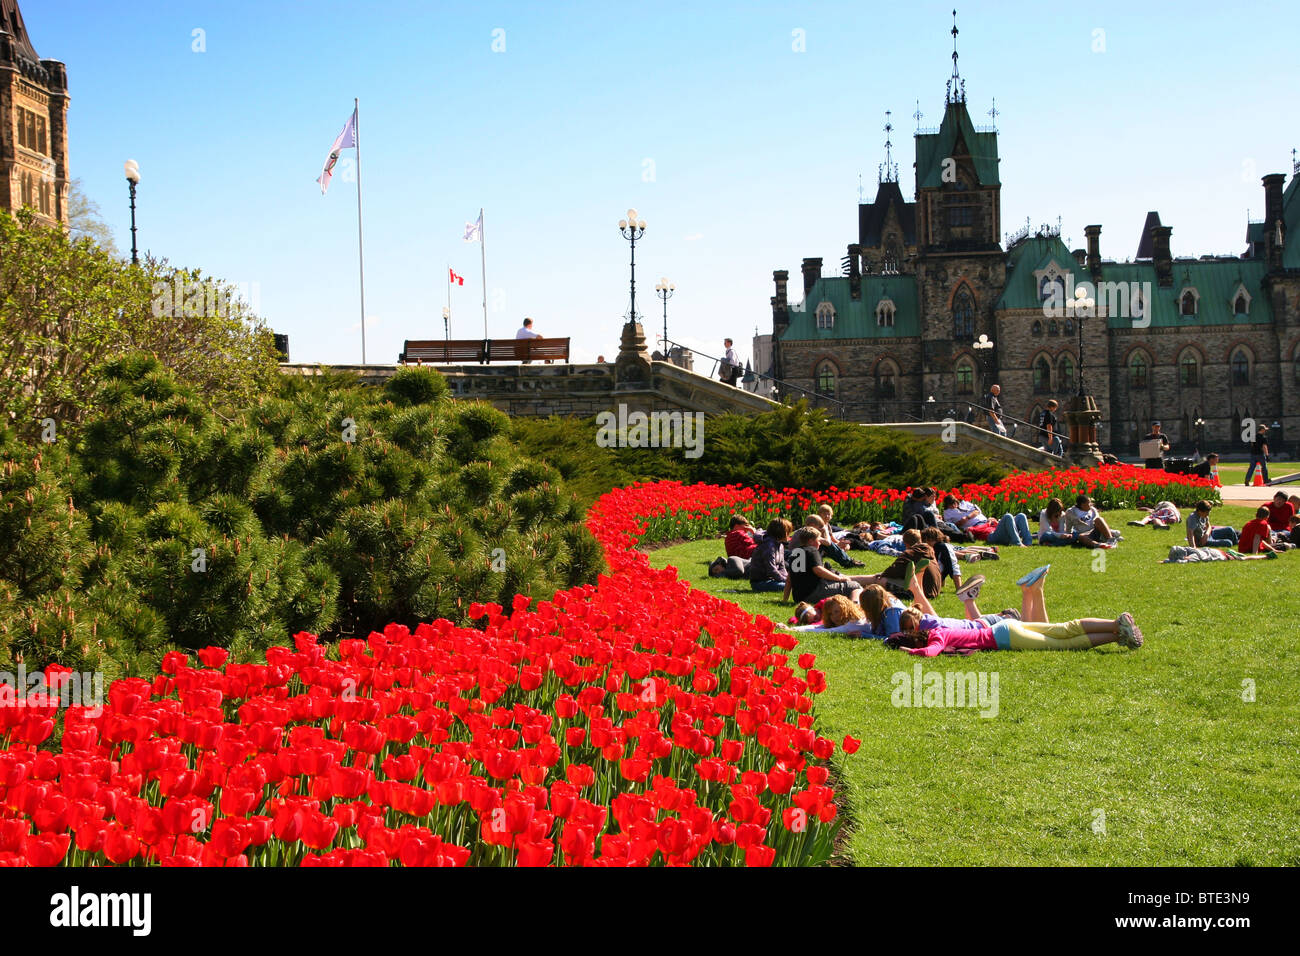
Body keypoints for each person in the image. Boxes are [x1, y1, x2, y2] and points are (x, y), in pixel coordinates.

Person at [888, 566, 1143, 654]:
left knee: (1062, 642)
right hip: (1004, 628)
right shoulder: (934, 626)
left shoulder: (936, 633)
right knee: (1062, 629)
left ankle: (1116, 630)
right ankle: (1116, 628)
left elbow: (931, 652)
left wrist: (911, 651)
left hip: (1005, 636)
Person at [783, 527, 877, 605]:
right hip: (813, 593)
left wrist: (785, 600)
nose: (820, 543)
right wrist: (839, 579)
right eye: (818, 540)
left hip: (799, 597)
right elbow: (818, 570)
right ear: (811, 541)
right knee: (854, 586)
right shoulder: (812, 550)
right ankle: (854, 609)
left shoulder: (796, 552)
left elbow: (789, 578)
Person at [747, 519, 792, 593]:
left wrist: (787, 579)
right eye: (788, 532)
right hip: (761, 582)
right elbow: (771, 570)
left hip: (773, 580)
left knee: (793, 585)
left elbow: (782, 566)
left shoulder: (780, 545)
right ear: (781, 532)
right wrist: (786, 581)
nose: (789, 535)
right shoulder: (768, 546)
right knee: (790, 587)